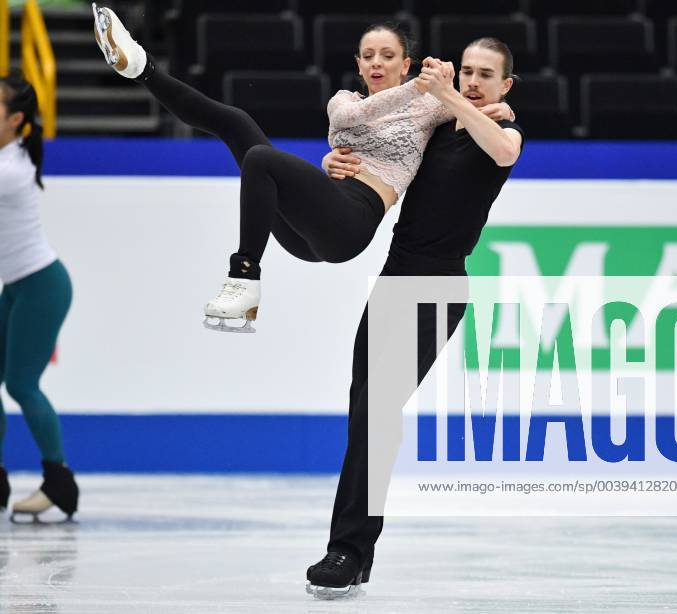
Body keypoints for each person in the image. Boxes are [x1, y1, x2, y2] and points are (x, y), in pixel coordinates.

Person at [91, 5, 512, 332]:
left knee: (260, 158)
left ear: (407, 63)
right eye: (368, 56)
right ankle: (142, 67)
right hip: (310, 227)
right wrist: (411, 92)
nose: (377, 63)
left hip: (350, 224)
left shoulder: (430, 105)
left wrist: (498, 105)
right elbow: (353, 120)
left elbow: (470, 113)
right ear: (359, 64)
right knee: (237, 124)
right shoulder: (345, 100)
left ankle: (244, 278)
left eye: (388, 56)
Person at [305, 38, 524, 598]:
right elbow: (376, 150)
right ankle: (353, 548)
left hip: (439, 283)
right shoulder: (430, 125)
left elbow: (503, 151)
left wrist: (455, 96)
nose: (474, 80)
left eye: (486, 75)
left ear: (506, 86)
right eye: (467, 70)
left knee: (378, 409)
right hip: (394, 273)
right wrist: (335, 163)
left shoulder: (498, 129)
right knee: (366, 408)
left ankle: (348, 551)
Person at [0, 76, 79, 522]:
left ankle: (59, 484)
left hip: (42, 286)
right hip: (18, 286)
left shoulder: (10, 171)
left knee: (21, 384)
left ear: (14, 119)